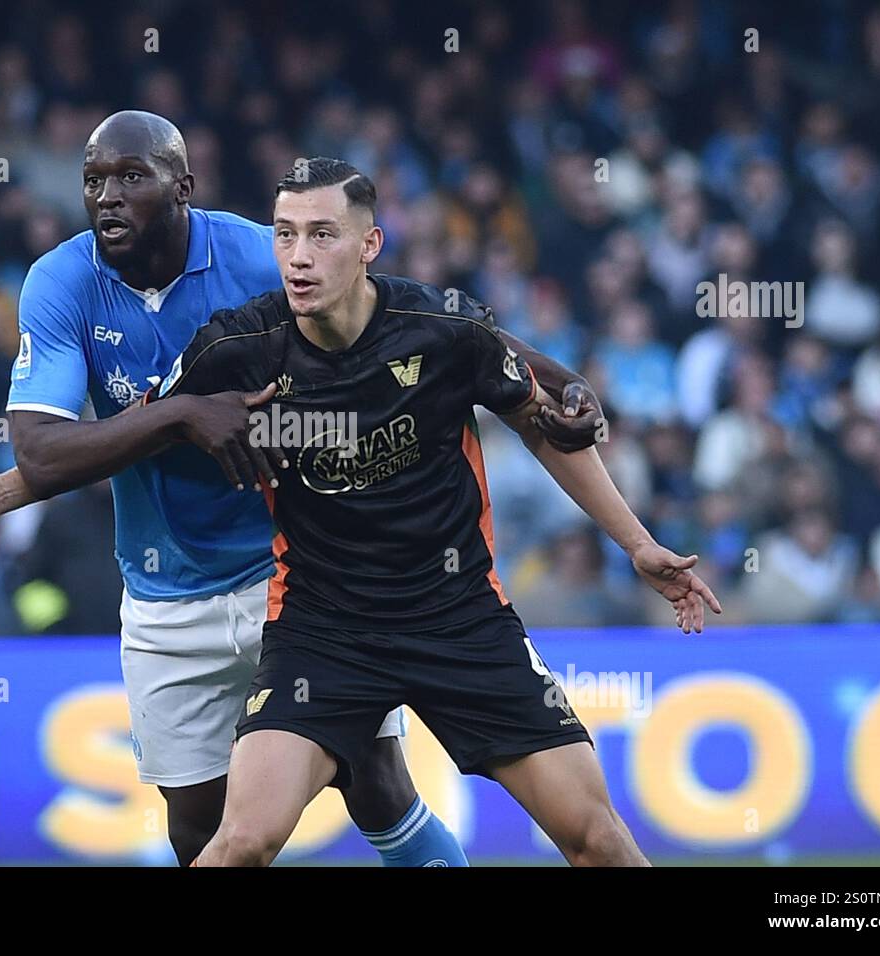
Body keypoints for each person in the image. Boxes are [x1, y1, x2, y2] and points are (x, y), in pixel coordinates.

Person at [0, 115, 605, 866]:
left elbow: (417, 320)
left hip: (293, 577)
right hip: (163, 589)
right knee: (200, 831)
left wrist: (559, 381)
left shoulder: (265, 254)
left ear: (182, 187)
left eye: (130, 178)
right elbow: (48, 449)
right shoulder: (62, 282)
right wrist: (13, 488)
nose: (108, 198)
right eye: (94, 182)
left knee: (376, 781)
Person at [129, 158, 719, 866]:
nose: (299, 257)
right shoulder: (238, 346)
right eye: (284, 236)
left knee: (597, 839)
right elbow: (141, 429)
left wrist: (638, 544)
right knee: (240, 844)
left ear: (370, 245)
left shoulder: (441, 329)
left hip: (460, 619)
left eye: (322, 235)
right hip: (322, 630)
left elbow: (542, 427)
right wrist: (8, 491)